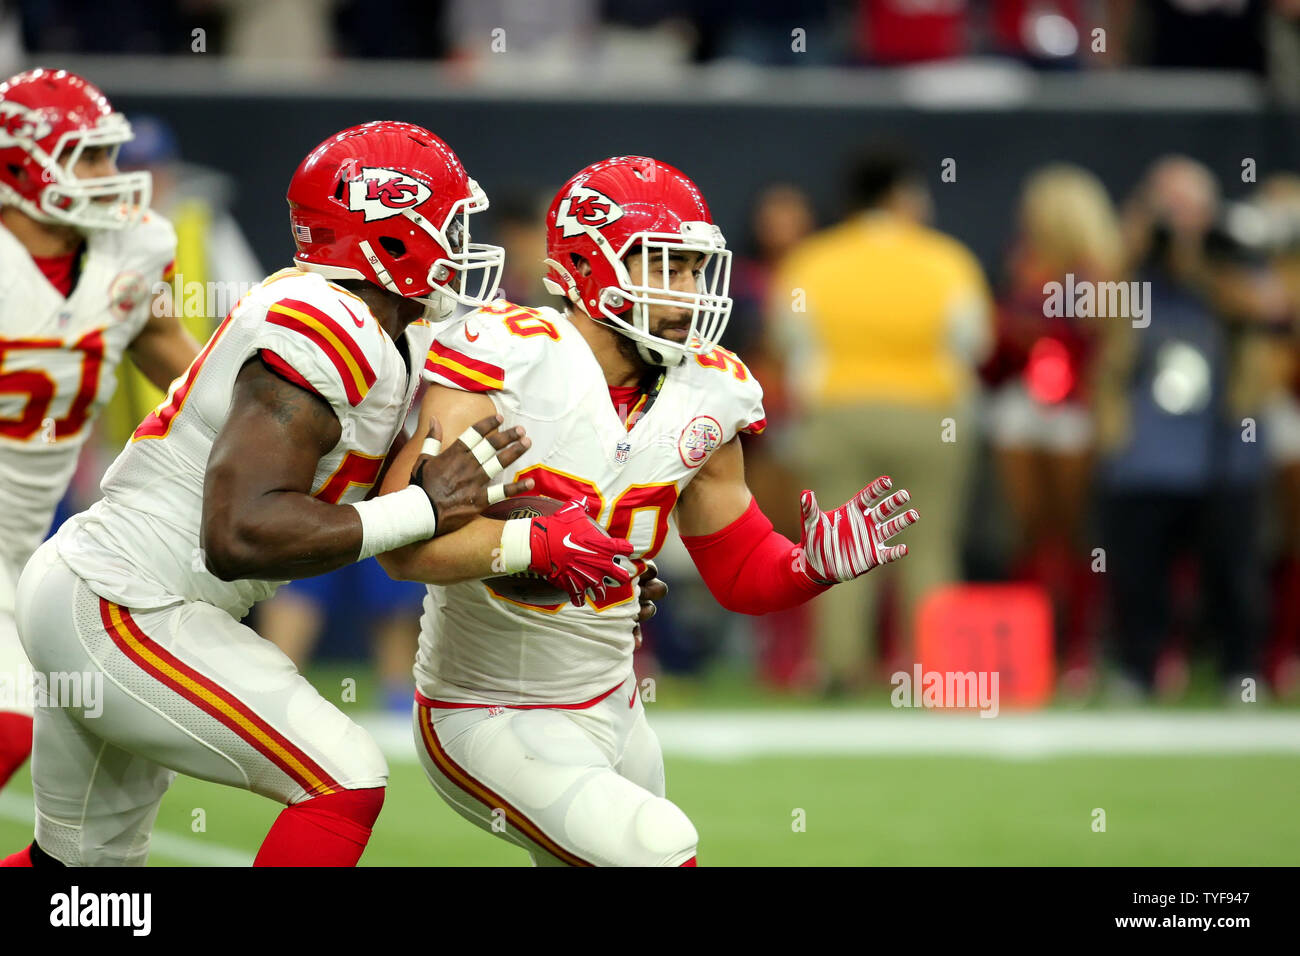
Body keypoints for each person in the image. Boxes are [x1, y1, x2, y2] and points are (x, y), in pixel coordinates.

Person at [0, 120, 577, 867]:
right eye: (443, 222)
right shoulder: (320, 326)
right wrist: (422, 508)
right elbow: (239, 533)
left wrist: (538, 540)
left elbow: (408, 521)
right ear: (389, 236)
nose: (459, 244)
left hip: (112, 593)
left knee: (81, 885)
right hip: (126, 602)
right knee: (343, 778)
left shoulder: (385, 329)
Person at [376, 156, 919, 866]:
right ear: (588, 266)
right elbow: (398, 540)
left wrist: (807, 567)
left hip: (615, 706)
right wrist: (531, 545)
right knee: (656, 849)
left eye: (695, 270)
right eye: (664, 267)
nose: (688, 292)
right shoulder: (507, 358)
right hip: (486, 707)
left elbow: (741, 569)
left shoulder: (710, 389)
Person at [0, 68, 200, 792]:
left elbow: (176, 360)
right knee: (11, 721)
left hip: (28, 543)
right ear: (23, 163)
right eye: (86, 157)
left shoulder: (132, 251)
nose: (111, 176)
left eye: (108, 155)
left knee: (110, 756)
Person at [770, 146, 990, 693]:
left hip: (839, 414)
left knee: (841, 546)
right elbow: (974, 341)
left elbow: (789, 340)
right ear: (900, 196)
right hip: (929, 415)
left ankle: (839, 669)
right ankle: (937, 672)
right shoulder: (945, 259)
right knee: (929, 546)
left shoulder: (813, 261)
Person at [981, 164, 1125, 691]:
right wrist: (1007, 331)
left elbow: (1104, 346)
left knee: (1075, 534)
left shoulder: (1101, 271)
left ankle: (1081, 650)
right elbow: (992, 355)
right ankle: (1031, 651)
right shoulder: (1022, 262)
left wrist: (1040, 328)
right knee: (1028, 533)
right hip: (1021, 407)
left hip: (1078, 410)